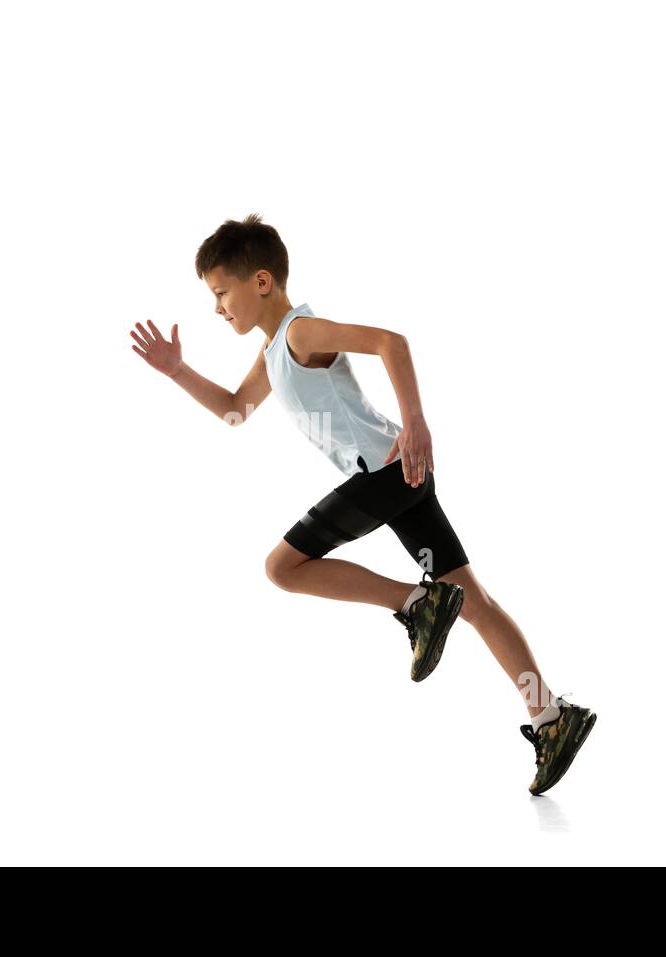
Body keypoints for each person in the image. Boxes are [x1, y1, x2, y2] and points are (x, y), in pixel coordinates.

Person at [129, 213, 596, 795]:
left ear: (263, 282)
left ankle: (417, 604)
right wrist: (176, 371)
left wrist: (418, 422)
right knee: (473, 602)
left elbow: (389, 342)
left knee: (282, 567)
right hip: (400, 478)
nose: (218, 308)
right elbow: (233, 409)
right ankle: (552, 717)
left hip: (385, 471)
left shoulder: (301, 333)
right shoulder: (273, 351)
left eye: (222, 293)